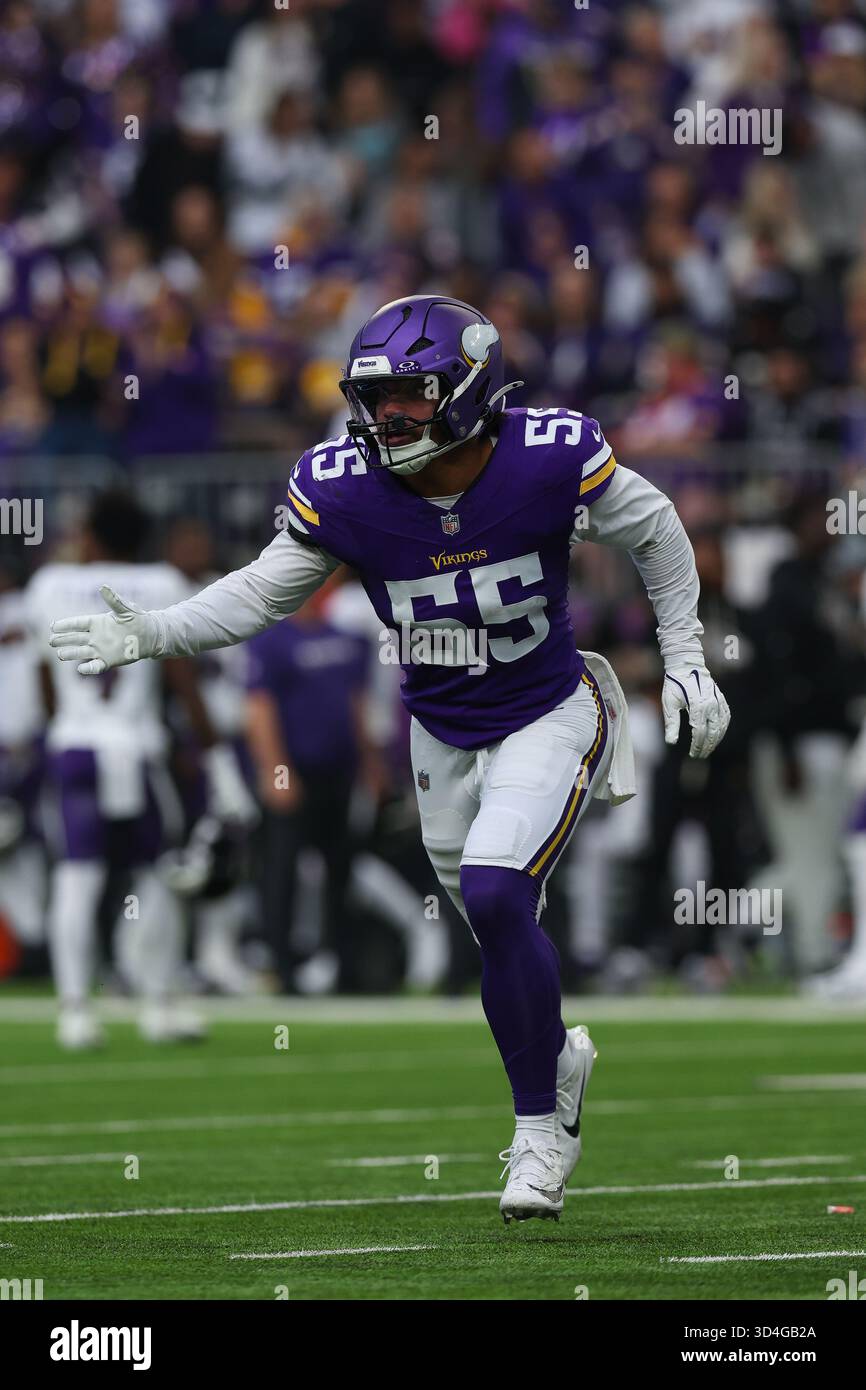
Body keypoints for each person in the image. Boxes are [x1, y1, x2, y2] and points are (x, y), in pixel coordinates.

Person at [47, 295, 730, 1222]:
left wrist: (686, 658)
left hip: (548, 709)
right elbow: (262, 592)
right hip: (437, 732)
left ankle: (538, 1136)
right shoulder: (344, 484)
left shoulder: (547, 454)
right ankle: (557, 1062)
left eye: (410, 394)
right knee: (495, 927)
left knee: (496, 890)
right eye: (375, 396)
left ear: (470, 389)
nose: (387, 415)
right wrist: (156, 633)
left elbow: (657, 532)